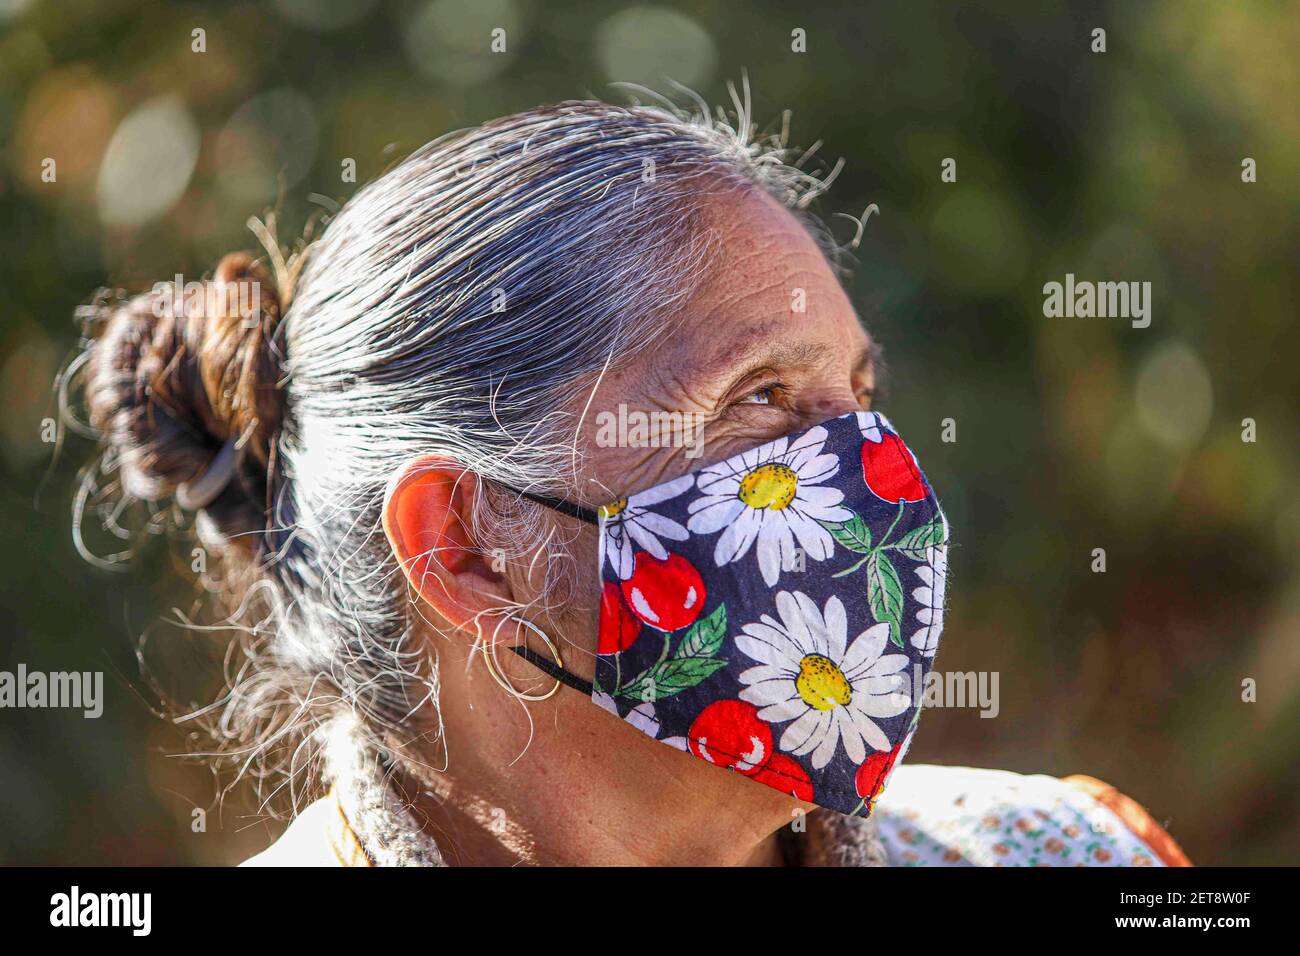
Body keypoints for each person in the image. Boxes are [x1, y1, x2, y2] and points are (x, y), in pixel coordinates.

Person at [74, 99, 1189, 867]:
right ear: (462, 547)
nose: (873, 478)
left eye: (858, 391)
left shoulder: (1073, 854)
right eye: (758, 397)